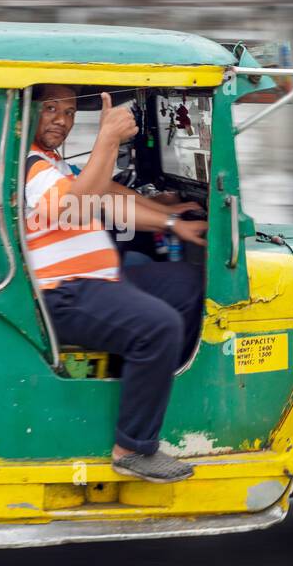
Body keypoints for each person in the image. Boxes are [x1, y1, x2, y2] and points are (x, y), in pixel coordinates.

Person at [24, 84, 208, 483]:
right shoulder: (29, 166)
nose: (62, 118)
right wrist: (107, 138)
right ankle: (133, 447)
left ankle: (150, 397)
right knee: (159, 325)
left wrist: (171, 216)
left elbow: (106, 197)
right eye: (51, 108)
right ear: (27, 110)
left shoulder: (51, 163)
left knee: (191, 285)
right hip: (64, 292)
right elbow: (78, 202)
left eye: (70, 112)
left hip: (101, 279)